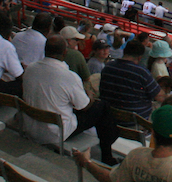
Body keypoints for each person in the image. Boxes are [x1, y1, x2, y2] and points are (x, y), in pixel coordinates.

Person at [24, 36, 118, 164]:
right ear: (65, 53)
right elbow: (84, 106)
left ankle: (107, 150)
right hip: (56, 132)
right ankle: (107, 155)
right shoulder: (69, 77)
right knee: (102, 106)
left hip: (31, 126)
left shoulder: (30, 68)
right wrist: (89, 96)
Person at [99, 39, 164, 118]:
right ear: (139, 58)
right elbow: (159, 96)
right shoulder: (141, 73)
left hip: (108, 116)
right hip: (134, 121)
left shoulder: (108, 67)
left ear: (124, 52)